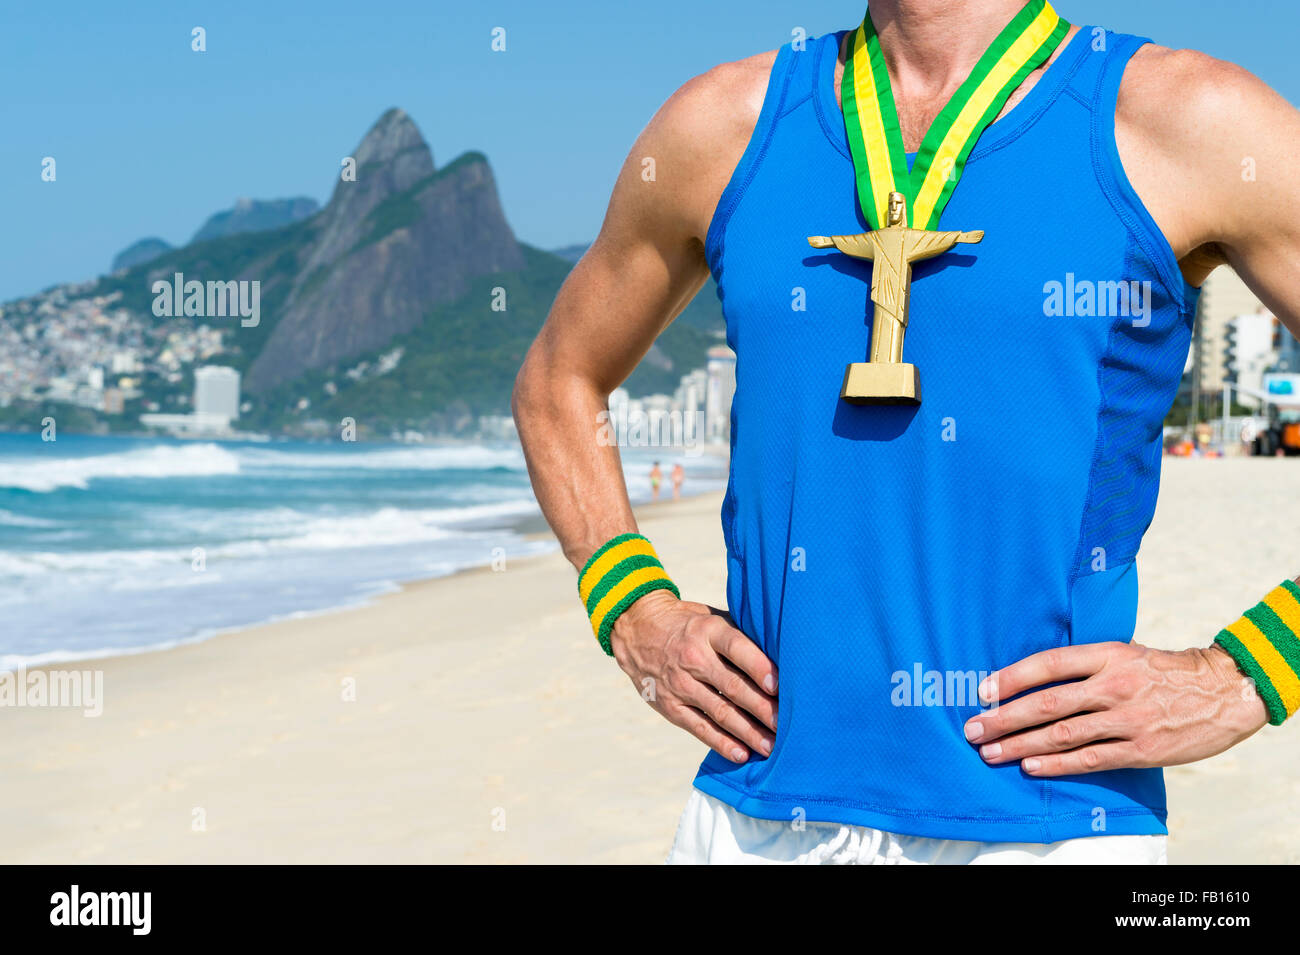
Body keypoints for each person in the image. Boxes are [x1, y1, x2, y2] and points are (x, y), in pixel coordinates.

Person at [513, 0, 1300, 864]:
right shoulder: (723, 125)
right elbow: (559, 380)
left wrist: (1249, 672)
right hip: (756, 813)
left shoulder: (1187, 120)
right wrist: (631, 605)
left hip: (1046, 821)